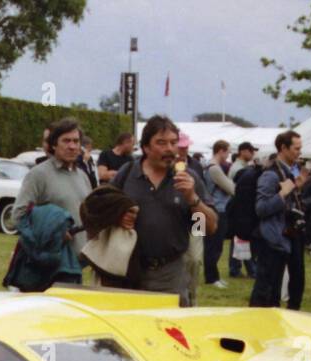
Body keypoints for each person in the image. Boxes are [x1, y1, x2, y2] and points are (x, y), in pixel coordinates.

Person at [110, 115, 215, 306]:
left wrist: (193, 200)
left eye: (173, 143)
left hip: (170, 274)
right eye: (161, 143)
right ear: (146, 147)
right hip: (127, 271)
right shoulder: (127, 175)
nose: (169, 149)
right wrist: (118, 218)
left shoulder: (189, 178)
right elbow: (100, 213)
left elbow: (204, 228)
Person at [13, 118, 94, 272]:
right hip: (46, 266)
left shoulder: (82, 176)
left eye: (76, 141)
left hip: (77, 265)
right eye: (66, 141)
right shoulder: (38, 174)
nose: (72, 146)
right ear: (54, 145)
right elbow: (18, 216)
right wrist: (53, 234)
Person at [248, 130, 306, 310]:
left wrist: (297, 190)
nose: (299, 152)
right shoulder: (271, 174)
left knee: (291, 285)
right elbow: (261, 208)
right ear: (283, 148)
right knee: (266, 292)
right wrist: (283, 194)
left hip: (288, 236)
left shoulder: (289, 172)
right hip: (273, 239)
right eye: (296, 148)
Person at [202, 139, 235, 289]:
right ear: (220, 150)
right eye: (227, 151)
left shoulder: (209, 166)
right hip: (217, 210)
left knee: (212, 245)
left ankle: (213, 276)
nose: (228, 155)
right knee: (214, 246)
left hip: (210, 209)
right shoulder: (215, 168)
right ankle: (211, 278)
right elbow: (231, 188)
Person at [227, 142, 258, 278]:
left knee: (238, 239)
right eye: (251, 151)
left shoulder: (242, 167)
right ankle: (243, 269)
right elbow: (234, 190)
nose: (253, 154)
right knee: (241, 239)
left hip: (237, 207)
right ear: (243, 151)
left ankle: (236, 268)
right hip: (239, 207)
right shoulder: (238, 169)